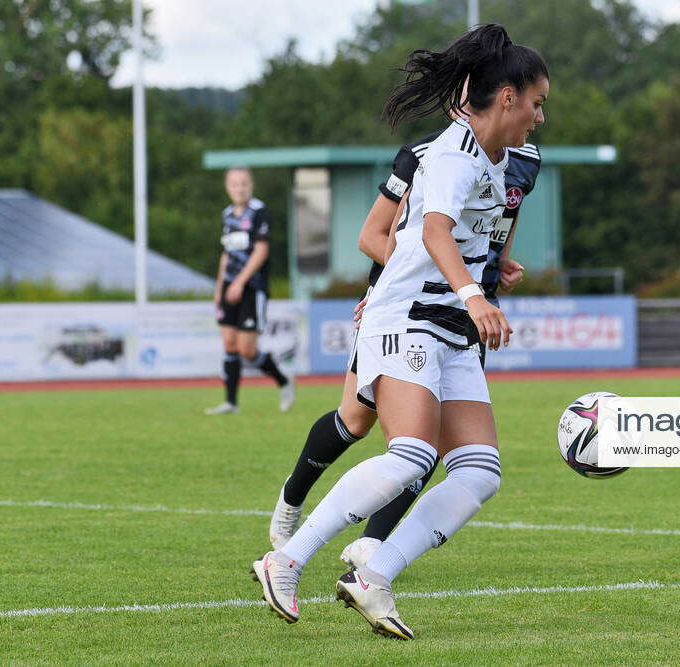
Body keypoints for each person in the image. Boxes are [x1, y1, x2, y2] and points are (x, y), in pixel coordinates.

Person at [251, 24, 548, 640]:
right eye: (538, 102)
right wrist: (474, 293)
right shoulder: (449, 155)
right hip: (407, 316)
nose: (540, 118)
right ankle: (285, 559)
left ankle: (374, 572)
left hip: (454, 329)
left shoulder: (497, 163)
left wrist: (491, 273)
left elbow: (457, 237)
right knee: (408, 454)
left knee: (479, 471)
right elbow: (433, 232)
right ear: (508, 98)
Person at [266, 111, 541, 567]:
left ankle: (372, 546)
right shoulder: (429, 154)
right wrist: (394, 288)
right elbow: (377, 236)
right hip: (406, 305)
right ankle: (292, 500)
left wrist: (500, 263)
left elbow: (501, 217)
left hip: (462, 316)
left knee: (427, 442)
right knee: (355, 421)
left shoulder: (525, 155)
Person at [206, 167, 294, 415]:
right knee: (229, 343)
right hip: (229, 285)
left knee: (247, 349)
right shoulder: (227, 215)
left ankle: (283, 380)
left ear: (251, 185)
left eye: (244, 183)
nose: (240, 188)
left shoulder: (259, 212)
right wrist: (219, 287)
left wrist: (239, 282)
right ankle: (231, 402)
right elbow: (226, 253)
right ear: (228, 187)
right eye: (235, 184)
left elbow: (261, 251)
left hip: (252, 287)